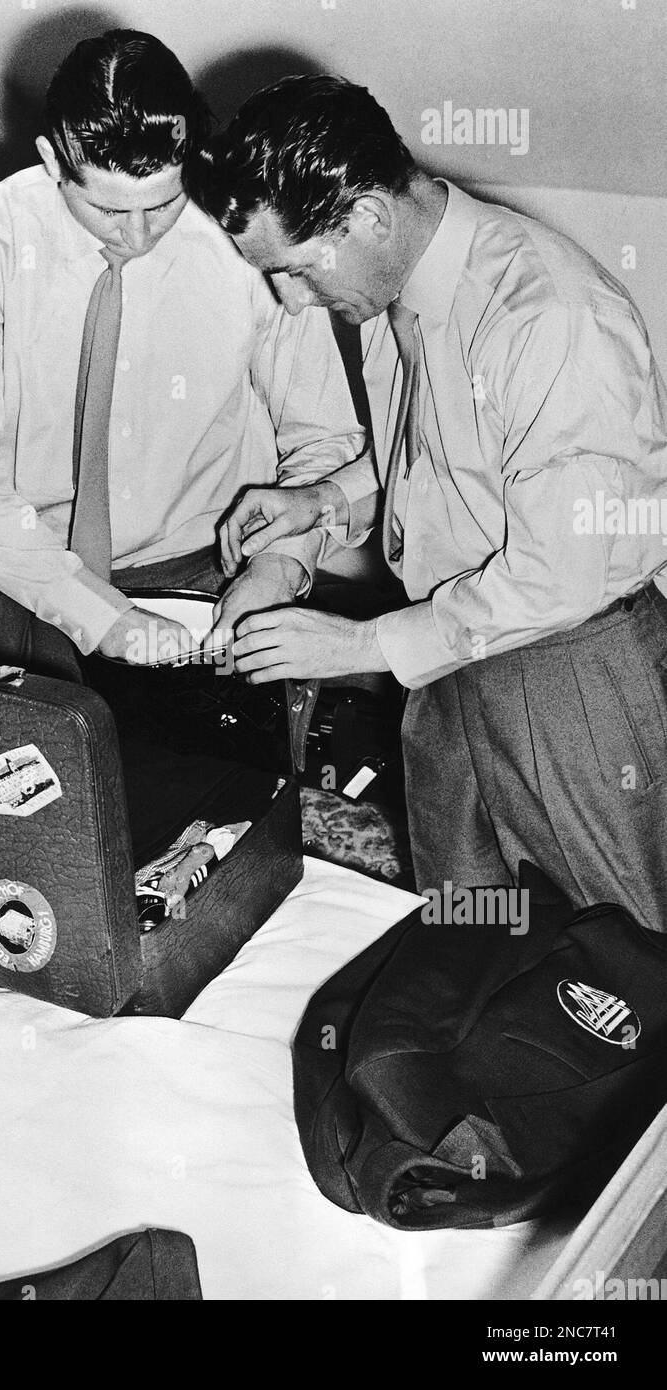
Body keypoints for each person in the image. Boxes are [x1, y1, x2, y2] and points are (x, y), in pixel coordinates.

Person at [192, 74, 667, 929]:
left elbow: (563, 570)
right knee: (465, 935)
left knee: (614, 967)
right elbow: (441, 457)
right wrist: (321, 505)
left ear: (368, 216)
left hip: (569, 671)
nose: (290, 301)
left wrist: (360, 645)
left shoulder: (549, 314)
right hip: (448, 655)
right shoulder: (393, 289)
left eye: (296, 270)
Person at [0, 33, 364, 681]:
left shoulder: (245, 230)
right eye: (106, 208)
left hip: (215, 568)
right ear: (50, 159)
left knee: (218, 782)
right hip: (29, 574)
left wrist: (279, 564)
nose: (140, 234)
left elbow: (324, 437)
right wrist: (101, 616)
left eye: (163, 203)